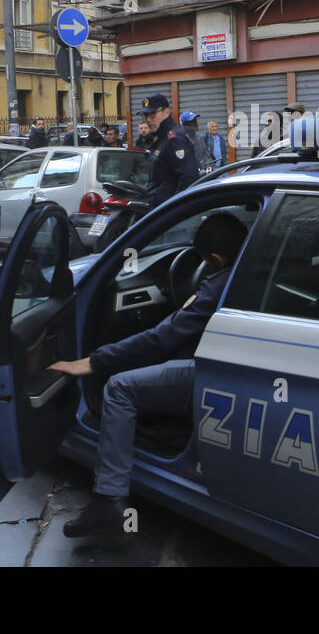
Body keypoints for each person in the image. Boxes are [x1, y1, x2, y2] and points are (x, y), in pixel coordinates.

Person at [51, 213, 249, 542]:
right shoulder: (253, 269)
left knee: (119, 387)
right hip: (239, 366)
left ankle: (108, 500)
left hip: (219, 375)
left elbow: (161, 340)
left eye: (205, 262)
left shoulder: (216, 288)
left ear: (214, 259)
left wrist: (92, 362)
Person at [141, 94, 198, 207]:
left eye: (152, 115)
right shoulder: (160, 137)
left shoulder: (174, 138)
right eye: (145, 115)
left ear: (166, 112)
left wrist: (172, 208)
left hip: (166, 211)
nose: (148, 120)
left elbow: (188, 178)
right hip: (156, 207)